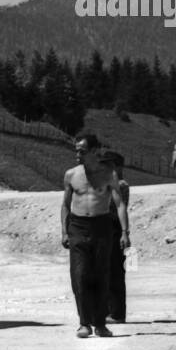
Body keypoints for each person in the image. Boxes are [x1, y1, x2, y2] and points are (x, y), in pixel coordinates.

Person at [61, 133, 129, 338]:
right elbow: (65, 205)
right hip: (78, 227)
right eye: (76, 151)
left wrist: (125, 232)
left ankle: (100, 324)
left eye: (81, 151)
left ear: (94, 151)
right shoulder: (71, 175)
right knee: (79, 275)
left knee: (101, 276)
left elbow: (119, 204)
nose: (77, 155)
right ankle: (84, 323)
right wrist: (64, 231)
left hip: (102, 227)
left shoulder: (109, 174)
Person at [101, 150, 131, 322]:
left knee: (115, 274)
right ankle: (107, 311)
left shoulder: (121, 185)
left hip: (115, 228)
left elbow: (117, 207)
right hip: (108, 229)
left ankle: (117, 313)